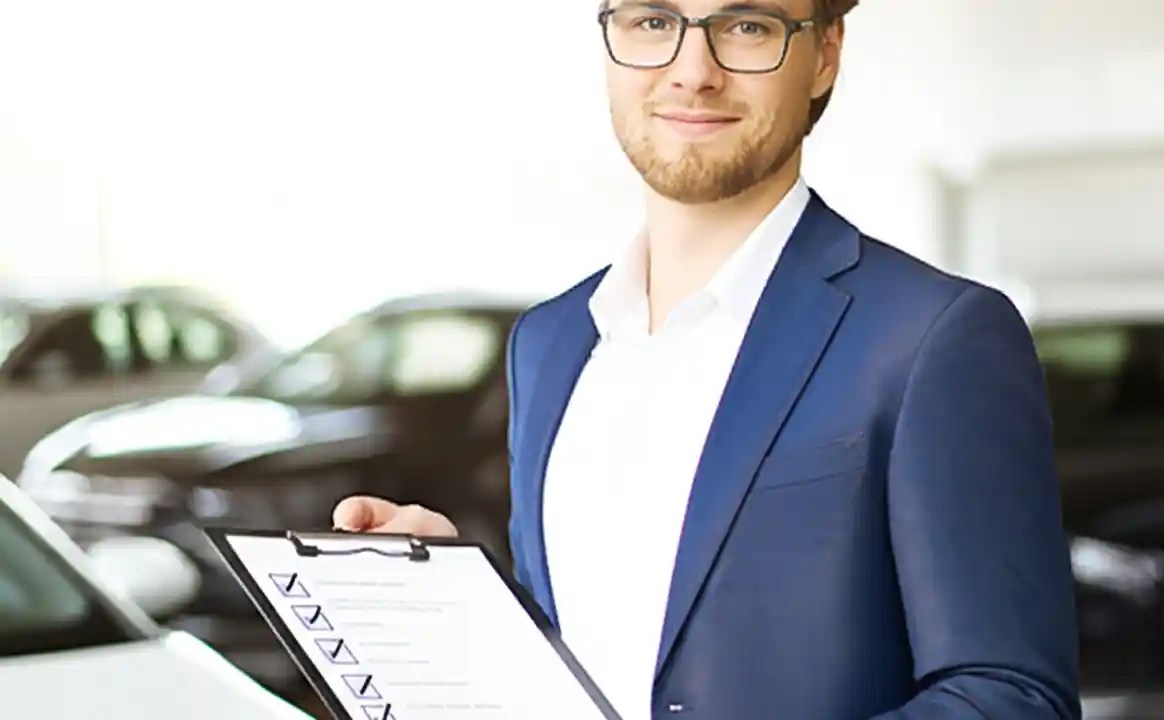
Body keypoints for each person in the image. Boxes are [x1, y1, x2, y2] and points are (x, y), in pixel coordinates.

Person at [333, 0, 1081, 718]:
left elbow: (1009, 697)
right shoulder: (549, 344)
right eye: (654, 20)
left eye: (747, 25)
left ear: (824, 54)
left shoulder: (933, 338)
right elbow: (602, 661)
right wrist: (462, 604)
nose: (693, 70)